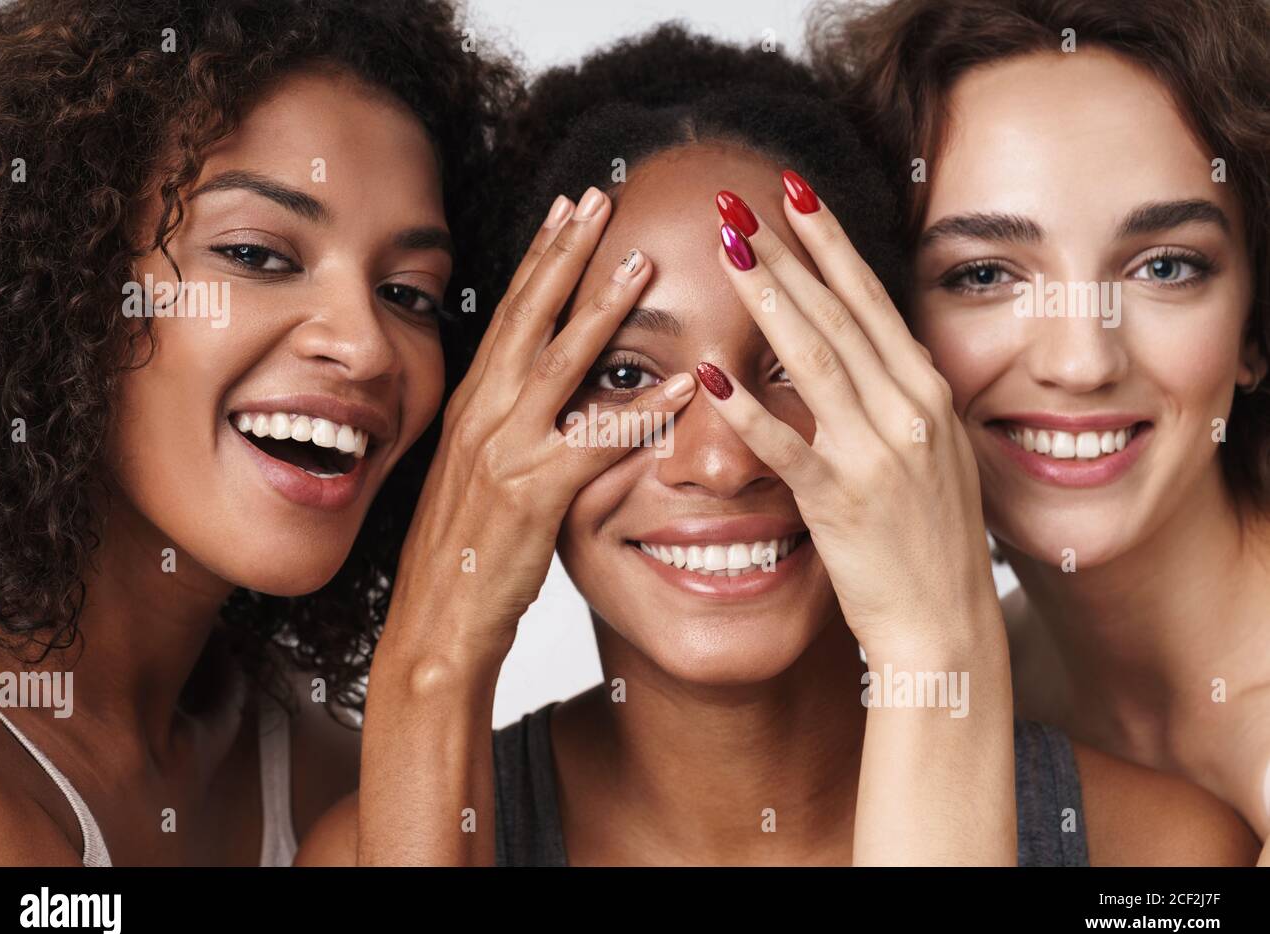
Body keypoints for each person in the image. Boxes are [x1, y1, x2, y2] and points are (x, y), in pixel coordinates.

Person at [299, 25, 1258, 866]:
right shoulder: (379, 842)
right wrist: (433, 658)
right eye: (627, 375)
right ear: (493, 428)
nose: (722, 461)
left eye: (795, 361)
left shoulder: (1164, 858)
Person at [0, 0, 517, 865]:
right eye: (258, 255)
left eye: (410, 292)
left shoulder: (327, 775)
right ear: (63, 280)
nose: (369, 345)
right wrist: (434, 664)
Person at [812, 0, 1270, 862]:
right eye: (983, 274)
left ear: (1254, 327)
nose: (1082, 360)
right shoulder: (930, 679)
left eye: (1164, 266)